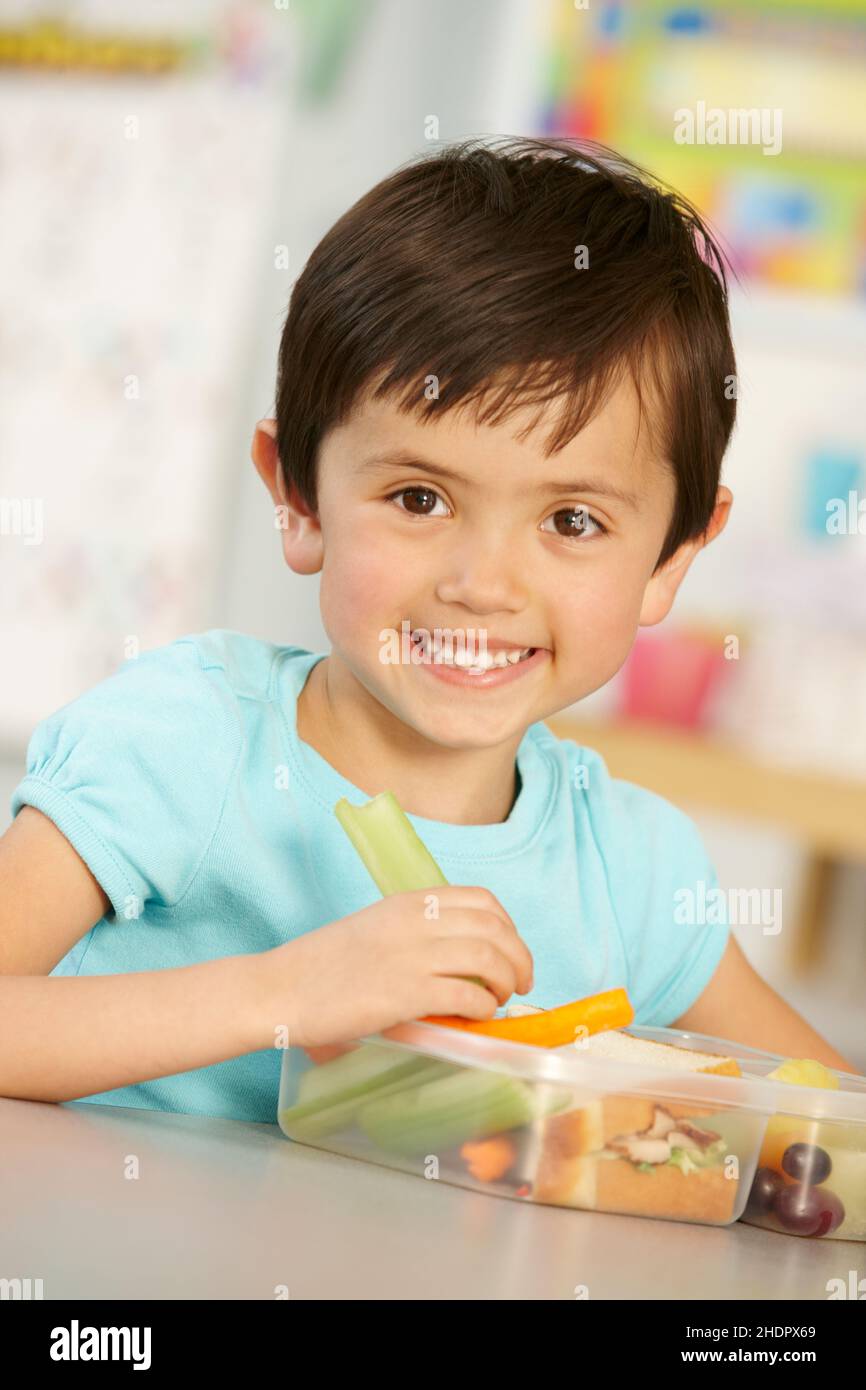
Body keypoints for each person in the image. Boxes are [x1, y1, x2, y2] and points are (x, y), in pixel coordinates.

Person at [1, 137, 856, 1123]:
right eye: (418, 498)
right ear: (299, 498)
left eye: (571, 521)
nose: (481, 584)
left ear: (671, 555)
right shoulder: (183, 741)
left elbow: (826, 1123)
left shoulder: (629, 872)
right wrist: (279, 995)